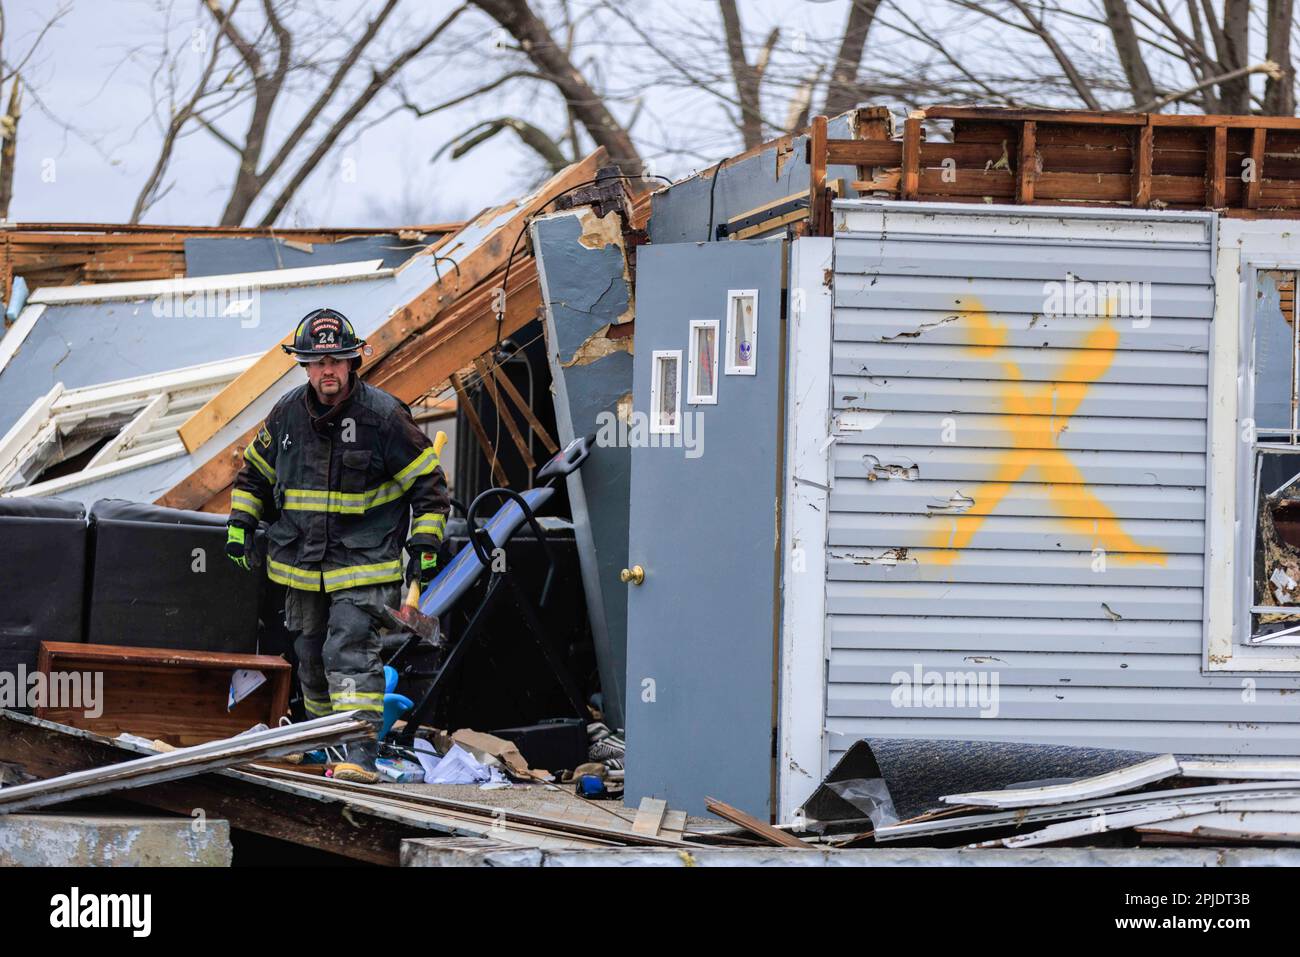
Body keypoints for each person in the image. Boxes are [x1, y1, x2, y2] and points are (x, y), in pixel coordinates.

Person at [224, 308, 449, 782]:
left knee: (346, 655)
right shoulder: (286, 415)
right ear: (304, 366)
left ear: (352, 363)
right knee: (309, 660)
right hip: (300, 568)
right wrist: (241, 522)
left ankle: (360, 757)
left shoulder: (384, 418)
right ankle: (322, 746)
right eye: (317, 362)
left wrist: (426, 541)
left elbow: (430, 487)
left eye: (337, 360)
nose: (327, 370)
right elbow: (254, 476)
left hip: (363, 567)